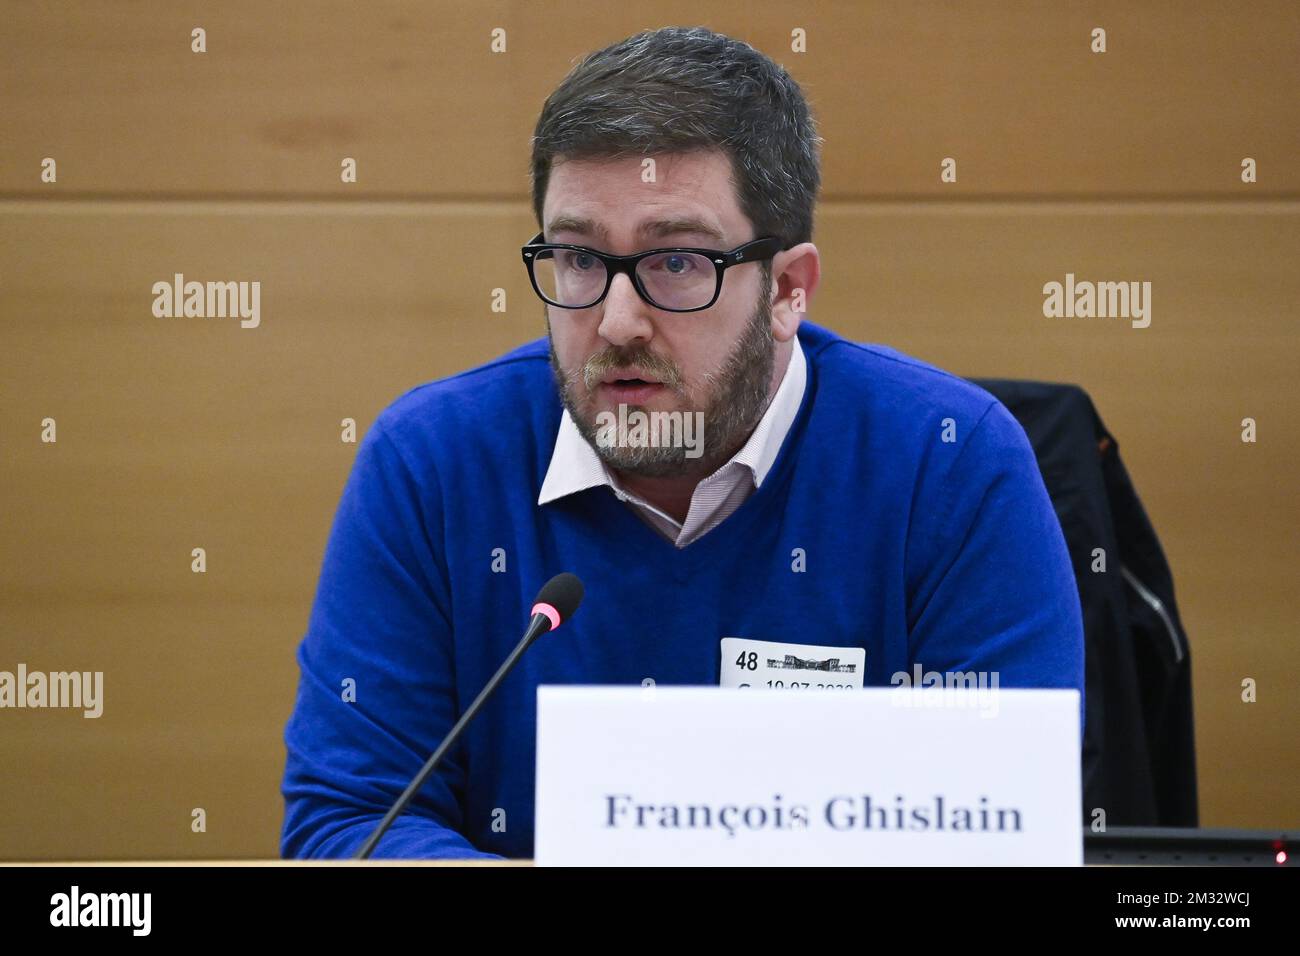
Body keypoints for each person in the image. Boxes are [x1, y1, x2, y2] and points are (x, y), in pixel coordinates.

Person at [280, 26, 1084, 860]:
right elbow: (349, 826)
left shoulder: (951, 463)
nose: (616, 322)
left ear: (787, 289)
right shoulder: (433, 462)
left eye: (675, 263)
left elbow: (1001, 839)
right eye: (579, 260)